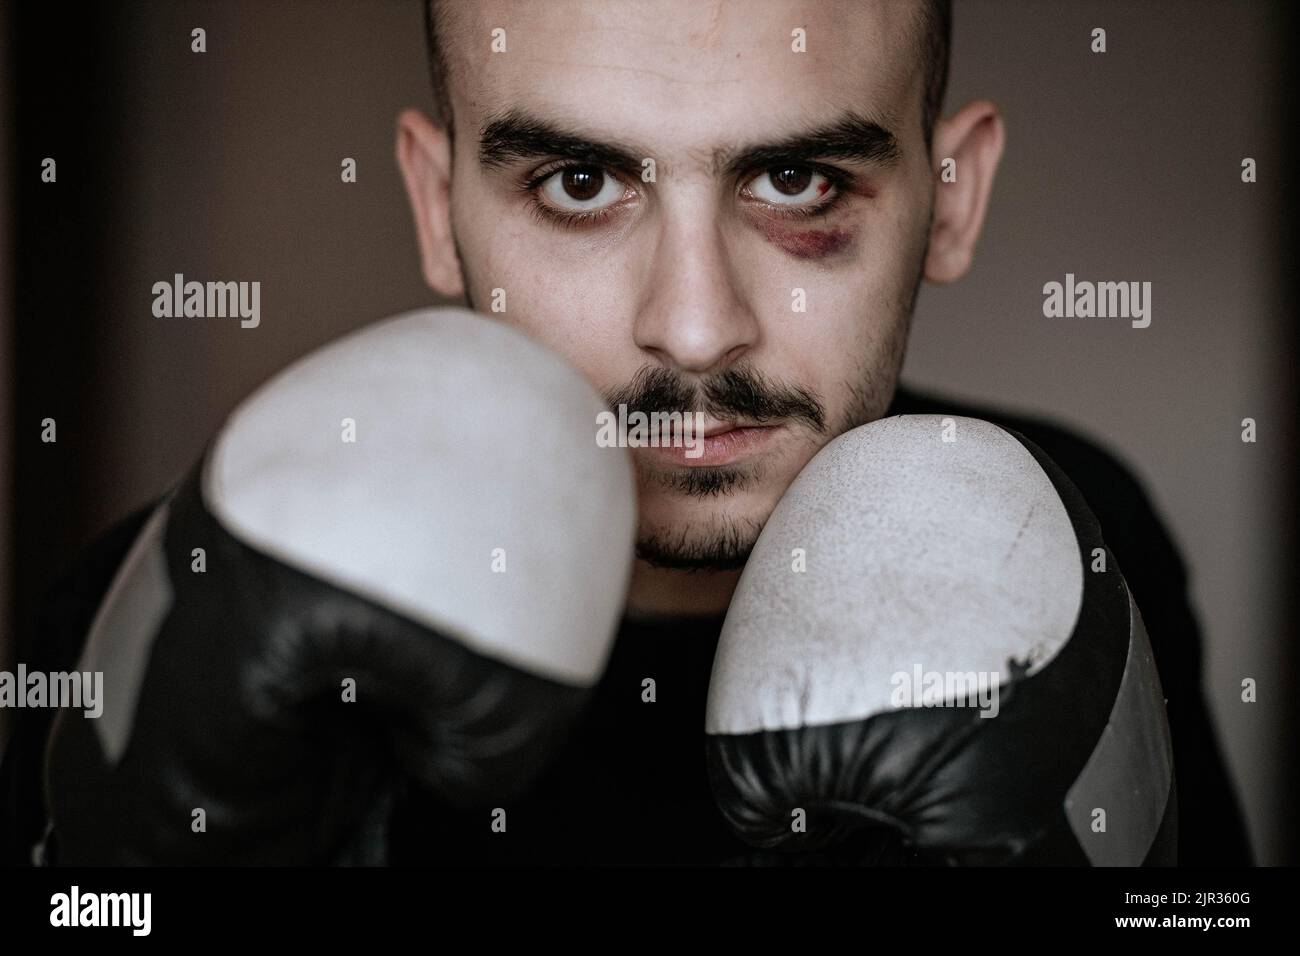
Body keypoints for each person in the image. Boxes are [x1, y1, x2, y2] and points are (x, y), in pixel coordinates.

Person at [387, 0, 1251, 864]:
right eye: (579, 181)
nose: (694, 328)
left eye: (796, 180)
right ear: (436, 207)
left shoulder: (1075, 534)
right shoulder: (314, 619)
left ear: (951, 202)